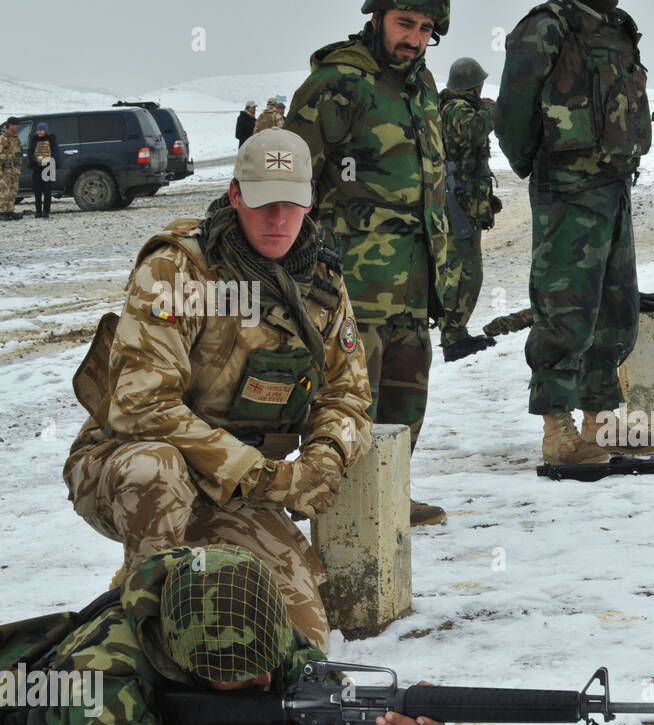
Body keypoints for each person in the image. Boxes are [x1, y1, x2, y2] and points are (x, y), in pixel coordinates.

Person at [62, 128, 373, 651]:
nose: (277, 220)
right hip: (128, 466)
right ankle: (140, 625)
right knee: (156, 471)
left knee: (299, 644)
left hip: (238, 489)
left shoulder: (320, 280)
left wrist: (324, 458)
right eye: (261, 203)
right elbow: (143, 406)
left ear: (310, 201)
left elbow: (348, 393)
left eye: (291, 204)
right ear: (234, 196)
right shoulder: (178, 269)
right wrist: (266, 477)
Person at [1, 545, 443, 725]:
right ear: (188, 666)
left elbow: (330, 724)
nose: (266, 684)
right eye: (243, 679)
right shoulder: (104, 674)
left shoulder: (255, 631)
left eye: (266, 667)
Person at [286, 0, 454, 526]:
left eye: (426, 29)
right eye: (406, 24)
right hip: (352, 279)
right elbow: (292, 176)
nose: (415, 38)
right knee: (350, 398)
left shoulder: (421, 85)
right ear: (378, 18)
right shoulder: (340, 81)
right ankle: (338, 509)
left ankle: (387, 496)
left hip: (413, 278)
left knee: (407, 397)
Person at [494, 0, 653, 462]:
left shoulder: (617, 28)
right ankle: (557, 427)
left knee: (616, 307)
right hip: (567, 188)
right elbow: (514, 109)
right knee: (565, 309)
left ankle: (600, 421)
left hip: (614, 185)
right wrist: (537, 166)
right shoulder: (547, 26)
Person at [439, 57, 503, 353]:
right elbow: (476, 130)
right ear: (475, 86)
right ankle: (453, 335)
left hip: (463, 201)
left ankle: (455, 331)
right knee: (465, 272)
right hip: (459, 205)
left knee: (462, 268)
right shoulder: (458, 109)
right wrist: (491, 108)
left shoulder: (450, 107)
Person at [28, 122, 57, 219]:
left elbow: (55, 152)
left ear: (45, 130)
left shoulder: (51, 139)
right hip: (37, 168)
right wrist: (35, 162)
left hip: (48, 168)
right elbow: (30, 152)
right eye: (38, 130)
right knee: (37, 191)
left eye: (41, 130)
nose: (39, 132)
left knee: (47, 191)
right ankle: (38, 211)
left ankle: (46, 211)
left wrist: (48, 162)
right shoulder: (34, 139)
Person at [0, 117, 21, 222]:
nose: (18, 127)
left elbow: (18, 154)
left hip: (14, 170)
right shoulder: (3, 138)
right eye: (16, 125)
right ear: (11, 125)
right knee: (4, 191)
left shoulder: (15, 138)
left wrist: (18, 168)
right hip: (4, 170)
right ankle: (2, 211)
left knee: (13, 191)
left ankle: (10, 211)